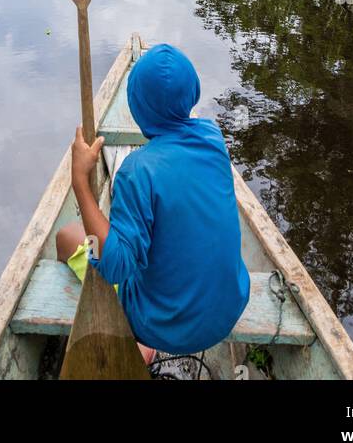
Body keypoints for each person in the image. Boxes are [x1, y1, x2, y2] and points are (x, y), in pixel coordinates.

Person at [55, 42, 251, 357]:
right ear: (193, 93)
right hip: (229, 310)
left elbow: (114, 266)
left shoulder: (136, 172)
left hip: (160, 328)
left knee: (68, 238)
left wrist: (80, 181)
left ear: (135, 108)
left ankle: (140, 346)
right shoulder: (214, 139)